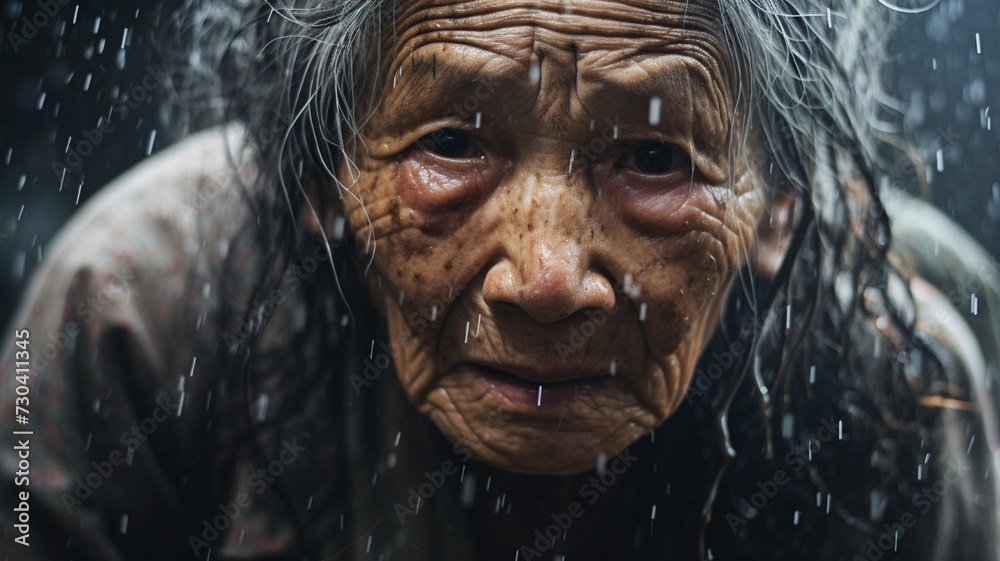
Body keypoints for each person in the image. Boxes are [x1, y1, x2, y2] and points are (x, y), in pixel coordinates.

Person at [2, 0, 999, 559]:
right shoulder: (135, 308)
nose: (546, 279)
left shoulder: (893, 385)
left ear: (780, 201)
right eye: (451, 144)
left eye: (652, 161)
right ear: (322, 172)